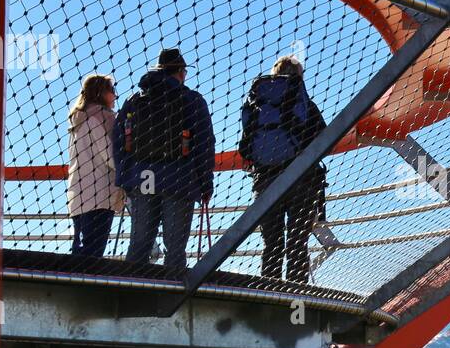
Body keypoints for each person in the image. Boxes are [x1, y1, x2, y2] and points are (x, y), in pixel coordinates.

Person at [113, 47, 215, 271]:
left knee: (139, 243)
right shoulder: (192, 100)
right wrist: (206, 184)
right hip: (179, 178)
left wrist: (124, 178)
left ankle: (131, 285)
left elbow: (119, 140)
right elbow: (205, 144)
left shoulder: (134, 100)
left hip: (142, 177)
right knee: (175, 247)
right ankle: (173, 288)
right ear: (180, 72)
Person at [238, 55, 327, 284]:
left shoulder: (257, 103)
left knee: (272, 243)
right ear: (299, 76)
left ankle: (270, 291)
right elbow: (324, 138)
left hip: (265, 179)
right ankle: (296, 292)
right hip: (301, 179)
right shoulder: (304, 103)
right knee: (297, 242)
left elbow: (245, 147)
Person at [66, 73, 126, 259]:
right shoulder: (101, 118)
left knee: (81, 247)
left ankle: (73, 276)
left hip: (78, 193)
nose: (115, 95)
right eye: (112, 90)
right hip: (99, 193)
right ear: (101, 92)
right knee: (93, 251)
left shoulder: (78, 120)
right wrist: (128, 170)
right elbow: (110, 156)